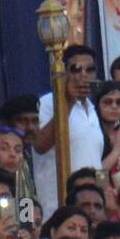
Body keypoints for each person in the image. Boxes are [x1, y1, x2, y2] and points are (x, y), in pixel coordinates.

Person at [34, 44, 106, 215]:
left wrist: (104, 191)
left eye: (90, 69)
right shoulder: (47, 102)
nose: (83, 75)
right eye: (75, 69)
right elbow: (40, 145)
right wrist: (68, 101)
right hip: (57, 205)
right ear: (63, 71)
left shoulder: (92, 108)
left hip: (91, 206)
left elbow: (96, 160)